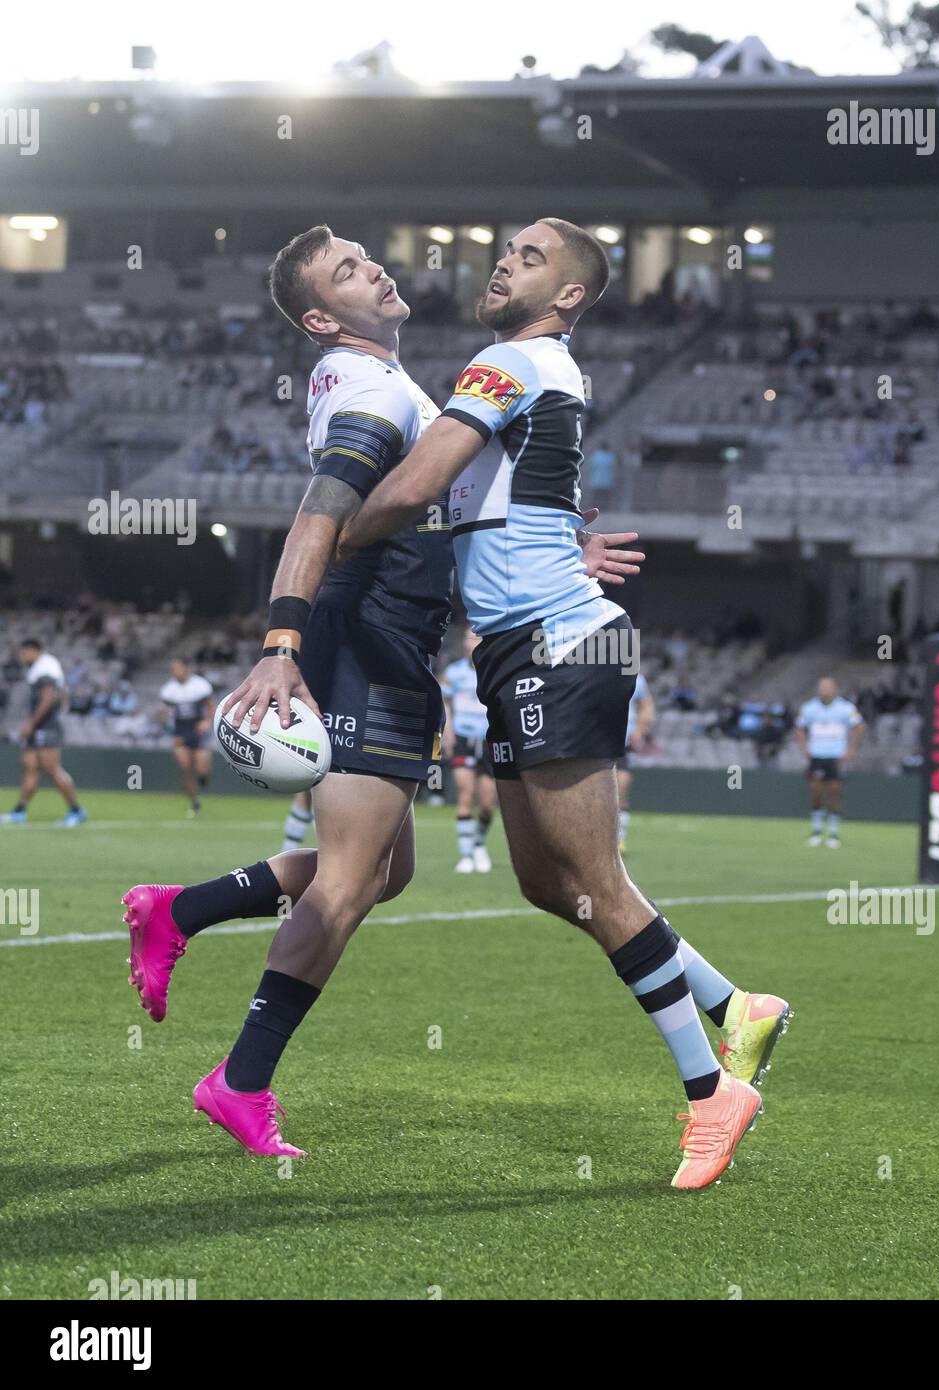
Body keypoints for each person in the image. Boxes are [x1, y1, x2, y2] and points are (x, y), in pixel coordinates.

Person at [121, 225, 636, 1158]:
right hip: (362, 639)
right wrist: (282, 643)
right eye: (349, 271)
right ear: (322, 317)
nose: (377, 270)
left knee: (383, 873)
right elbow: (328, 513)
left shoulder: (388, 382)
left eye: (369, 258)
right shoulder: (364, 388)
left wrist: (559, 547)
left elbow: (436, 511)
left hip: (394, 643)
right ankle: (239, 1083)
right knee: (353, 878)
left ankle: (179, 911)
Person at [341, 218, 790, 1189]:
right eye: (505, 248)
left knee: (597, 876)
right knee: (550, 885)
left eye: (530, 256)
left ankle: (711, 1090)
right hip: (523, 647)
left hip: (563, 641)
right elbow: (505, 503)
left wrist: (322, 549)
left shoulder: (511, 359)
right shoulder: (538, 367)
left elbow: (417, 485)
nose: (504, 259)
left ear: (569, 297)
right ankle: (734, 1005)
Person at [0, 637, 87, 827]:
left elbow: (47, 698)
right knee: (30, 767)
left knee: (52, 769)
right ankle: (19, 811)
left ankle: (76, 811)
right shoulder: (39, 668)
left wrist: (30, 724)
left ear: (34, 651)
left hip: (46, 725)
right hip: (38, 726)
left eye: (24, 653)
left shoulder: (45, 666)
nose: (22, 657)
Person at [440, 626, 495, 873]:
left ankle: (479, 843)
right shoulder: (454, 673)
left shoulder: (493, 671)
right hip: (463, 738)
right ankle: (465, 855)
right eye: (468, 638)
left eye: (477, 637)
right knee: (464, 794)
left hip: (488, 740)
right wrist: (447, 733)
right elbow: (445, 703)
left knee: (486, 803)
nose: (472, 642)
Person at [794, 677, 865, 849]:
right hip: (817, 756)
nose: (824, 691)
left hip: (835, 757)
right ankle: (817, 832)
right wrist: (804, 747)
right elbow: (799, 727)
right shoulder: (809, 708)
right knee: (816, 792)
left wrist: (850, 749)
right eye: (821, 687)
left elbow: (859, 726)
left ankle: (833, 833)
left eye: (827, 687)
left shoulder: (846, 708)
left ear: (835, 690)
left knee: (834, 793)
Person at [158, 657, 214, 816]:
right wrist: (166, 724)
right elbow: (163, 712)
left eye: (176, 667)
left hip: (198, 729)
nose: (173, 671)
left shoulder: (201, 685)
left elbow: (211, 707)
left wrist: (206, 722)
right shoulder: (168, 690)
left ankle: (202, 780)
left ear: (186, 668)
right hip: (181, 731)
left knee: (202, 769)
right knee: (184, 767)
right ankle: (194, 802)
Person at [617, 670, 654, 853]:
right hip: (594, 740)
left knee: (621, 788)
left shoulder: (635, 679)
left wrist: (639, 729)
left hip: (622, 741)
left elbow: (647, 706)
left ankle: (619, 841)